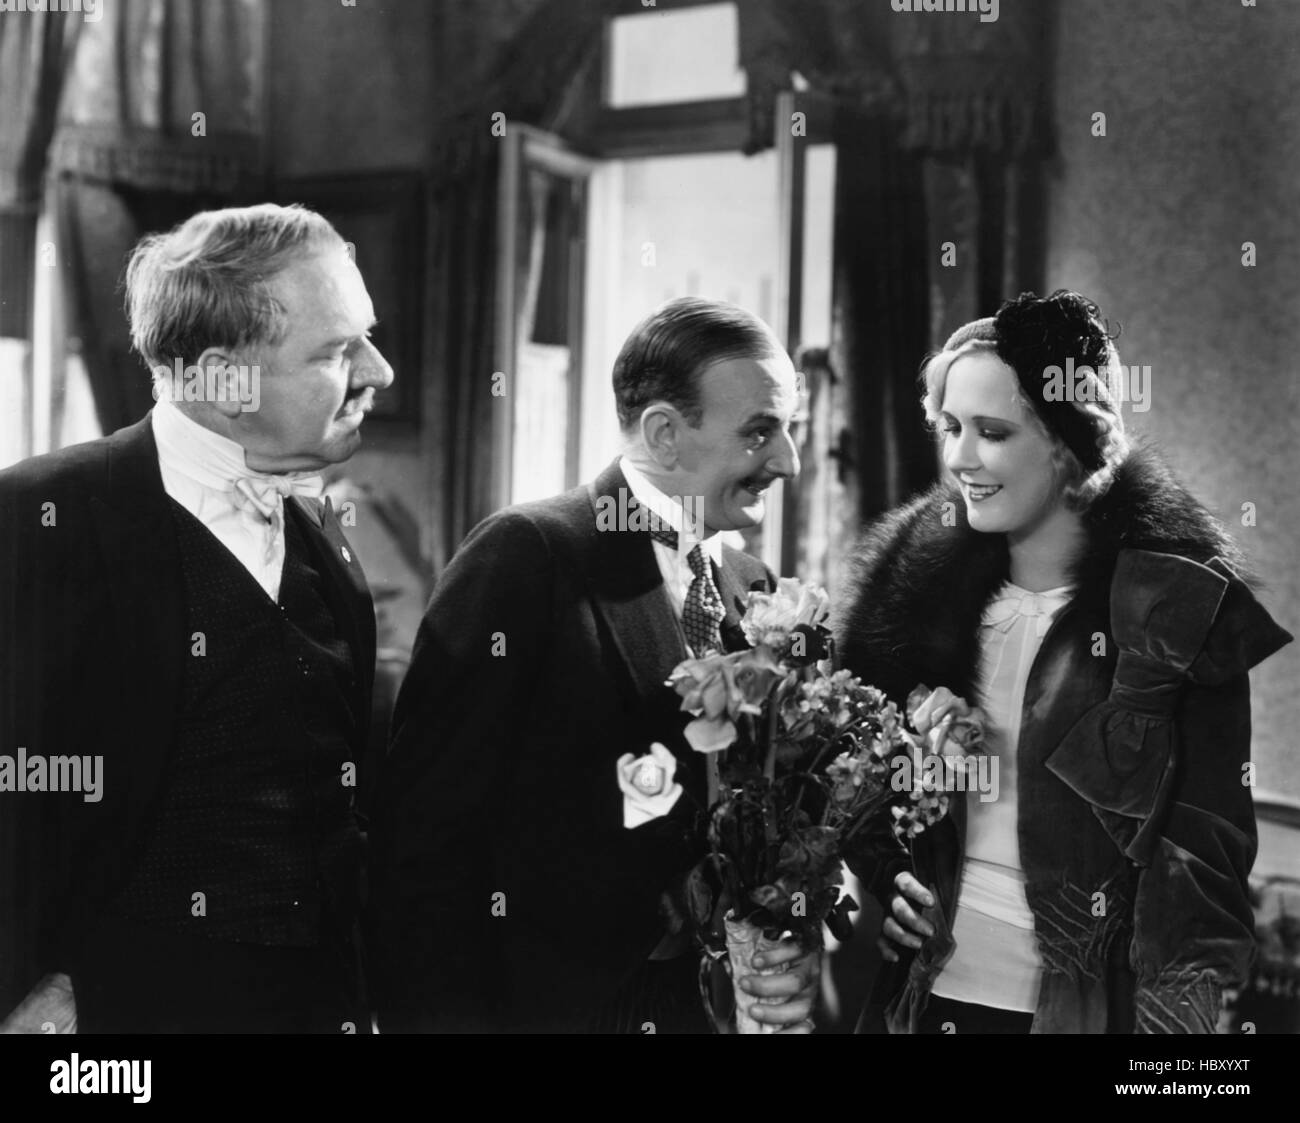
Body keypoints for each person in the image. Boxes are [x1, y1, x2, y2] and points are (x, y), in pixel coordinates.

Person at [838, 290, 1292, 1034]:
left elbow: (1206, 859)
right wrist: (889, 878)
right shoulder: (914, 599)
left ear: (1067, 440)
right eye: (950, 426)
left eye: (992, 431)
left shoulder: (1175, 608)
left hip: (1085, 1013)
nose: (959, 457)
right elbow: (858, 786)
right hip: (920, 1001)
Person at [368, 297, 821, 1033]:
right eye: (761, 431)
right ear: (665, 434)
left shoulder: (756, 588)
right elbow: (424, 844)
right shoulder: (527, 556)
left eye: (788, 430)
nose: (788, 461)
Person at [0, 203, 393, 1032]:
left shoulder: (325, 537)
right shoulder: (43, 519)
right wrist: (27, 986)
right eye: (336, 351)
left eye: (368, 336)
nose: (379, 372)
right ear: (223, 378)